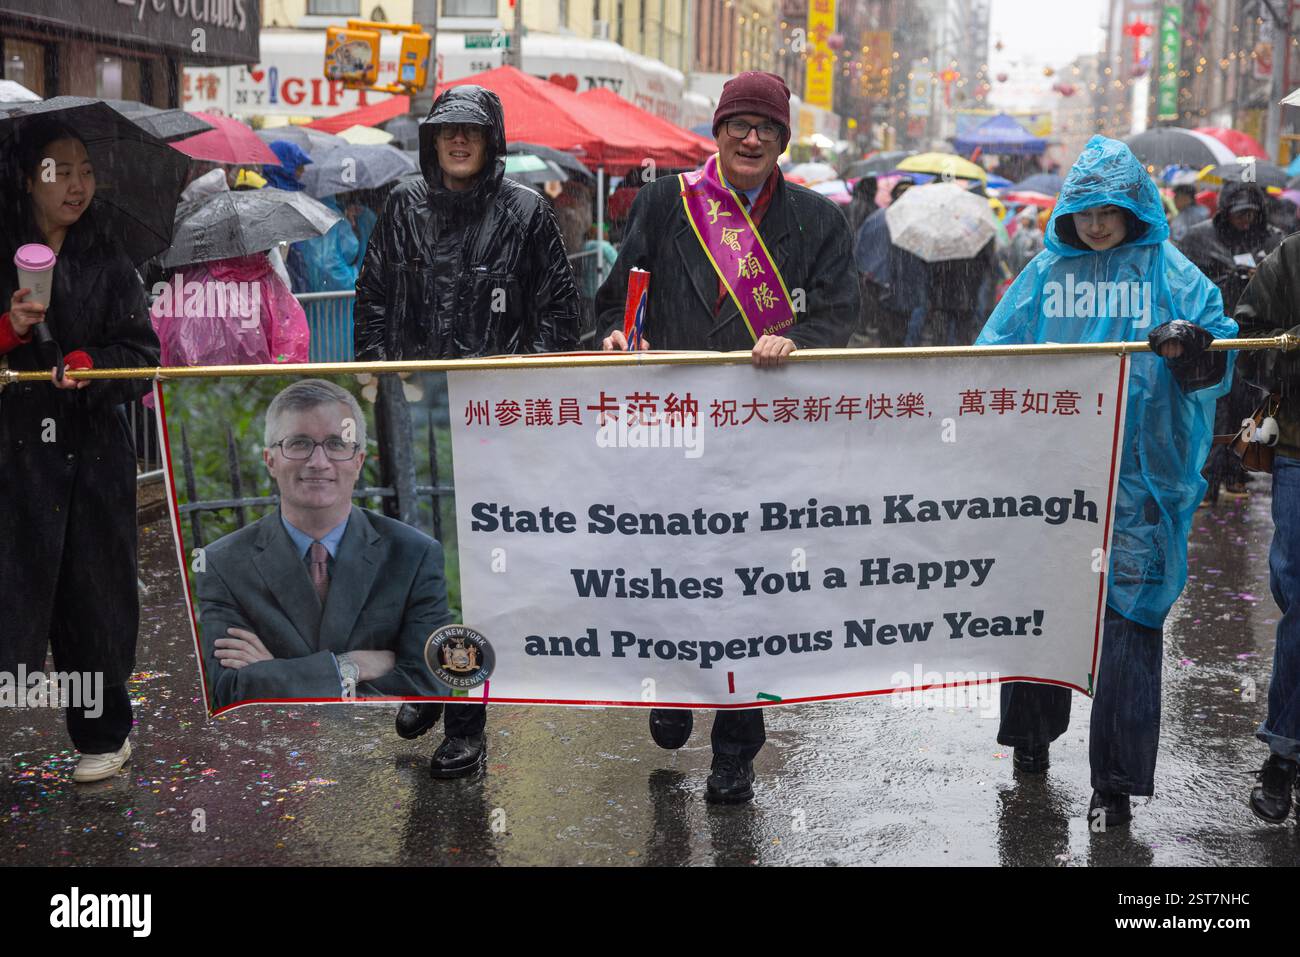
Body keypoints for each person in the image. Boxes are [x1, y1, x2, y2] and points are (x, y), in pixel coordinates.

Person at [595, 70, 860, 803]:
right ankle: (675, 688)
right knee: (673, 564)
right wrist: (617, 331)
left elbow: (840, 318)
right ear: (717, 132)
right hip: (670, 427)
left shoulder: (817, 220)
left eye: (766, 128)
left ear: (782, 141)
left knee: (750, 590)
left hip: (764, 438)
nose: (751, 138)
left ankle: (737, 747)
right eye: (739, 124)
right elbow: (622, 287)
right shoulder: (664, 201)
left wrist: (797, 341)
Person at [976, 135, 1235, 827]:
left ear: (1135, 207)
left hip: (1140, 485)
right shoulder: (1041, 276)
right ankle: (1031, 736)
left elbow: (1219, 360)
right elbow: (990, 359)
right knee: (1041, 611)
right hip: (1052, 482)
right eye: (1085, 208)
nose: (1095, 223)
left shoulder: (1173, 275)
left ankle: (1114, 782)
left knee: (1128, 625)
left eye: (1110, 208)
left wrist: (1190, 350)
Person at [354, 84, 581, 777]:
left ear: (492, 141)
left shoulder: (527, 214)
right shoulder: (402, 207)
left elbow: (558, 319)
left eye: (470, 132)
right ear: (431, 141)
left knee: (475, 574)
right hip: (413, 409)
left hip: (490, 423)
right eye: (445, 131)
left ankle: (464, 715)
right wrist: (372, 373)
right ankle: (429, 677)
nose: (457, 141)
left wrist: (522, 392)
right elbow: (371, 298)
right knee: (417, 560)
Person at [0, 121, 160, 783]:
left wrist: (94, 364)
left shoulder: (109, 260)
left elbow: (143, 357)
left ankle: (103, 733)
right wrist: (11, 329)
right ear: (25, 178)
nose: (76, 184)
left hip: (92, 456)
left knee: (91, 595)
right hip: (13, 459)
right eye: (59, 170)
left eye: (86, 170)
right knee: (10, 592)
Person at [194, 379, 453, 711]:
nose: (318, 461)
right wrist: (349, 666)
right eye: (299, 443)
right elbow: (229, 693)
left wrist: (274, 674)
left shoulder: (414, 554)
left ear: (358, 461)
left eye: (336, 443)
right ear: (270, 460)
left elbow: (427, 688)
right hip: (270, 755)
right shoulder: (223, 563)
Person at [1233, 233, 1300, 825]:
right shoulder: (1294, 256)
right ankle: (1284, 752)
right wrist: (1285, 350)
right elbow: (1248, 335)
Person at [1177, 180, 1284, 501]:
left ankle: (1237, 472)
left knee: (1248, 408)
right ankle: (1208, 480)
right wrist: (1225, 280)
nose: (1245, 220)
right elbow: (1188, 283)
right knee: (1214, 410)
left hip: (1253, 339)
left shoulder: (1272, 239)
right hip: (1214, 339)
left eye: (1251, 213)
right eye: (1240, 213)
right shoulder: (1201, 238)